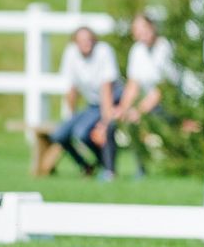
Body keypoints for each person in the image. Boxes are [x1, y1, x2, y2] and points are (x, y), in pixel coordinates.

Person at [51, 26, 123, 181]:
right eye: (82, 40)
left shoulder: (103, 51)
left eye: (89, 40)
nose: (86, 43)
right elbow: (71, 89)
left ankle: (106, 166)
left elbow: (106, 90)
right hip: (92, 105)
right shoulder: (71, 54)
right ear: (75, 42)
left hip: (111, 101)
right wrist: (71, 117)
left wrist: (105, 122)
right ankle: (86, 166)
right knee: (59, 134)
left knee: (82, 133)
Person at [110, 11, 177, 177]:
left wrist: (139, 111)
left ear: (153, 27)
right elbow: (133, 84)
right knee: (119, 121)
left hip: (173, 102)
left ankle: (151, 166)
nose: (142, 34)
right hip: (151, 103)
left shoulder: (165, 47)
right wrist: (123, 108)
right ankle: (116, 169)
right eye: (137, 31)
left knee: (136, 120)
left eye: (144, 29)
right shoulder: (137, 50)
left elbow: (164, 88)